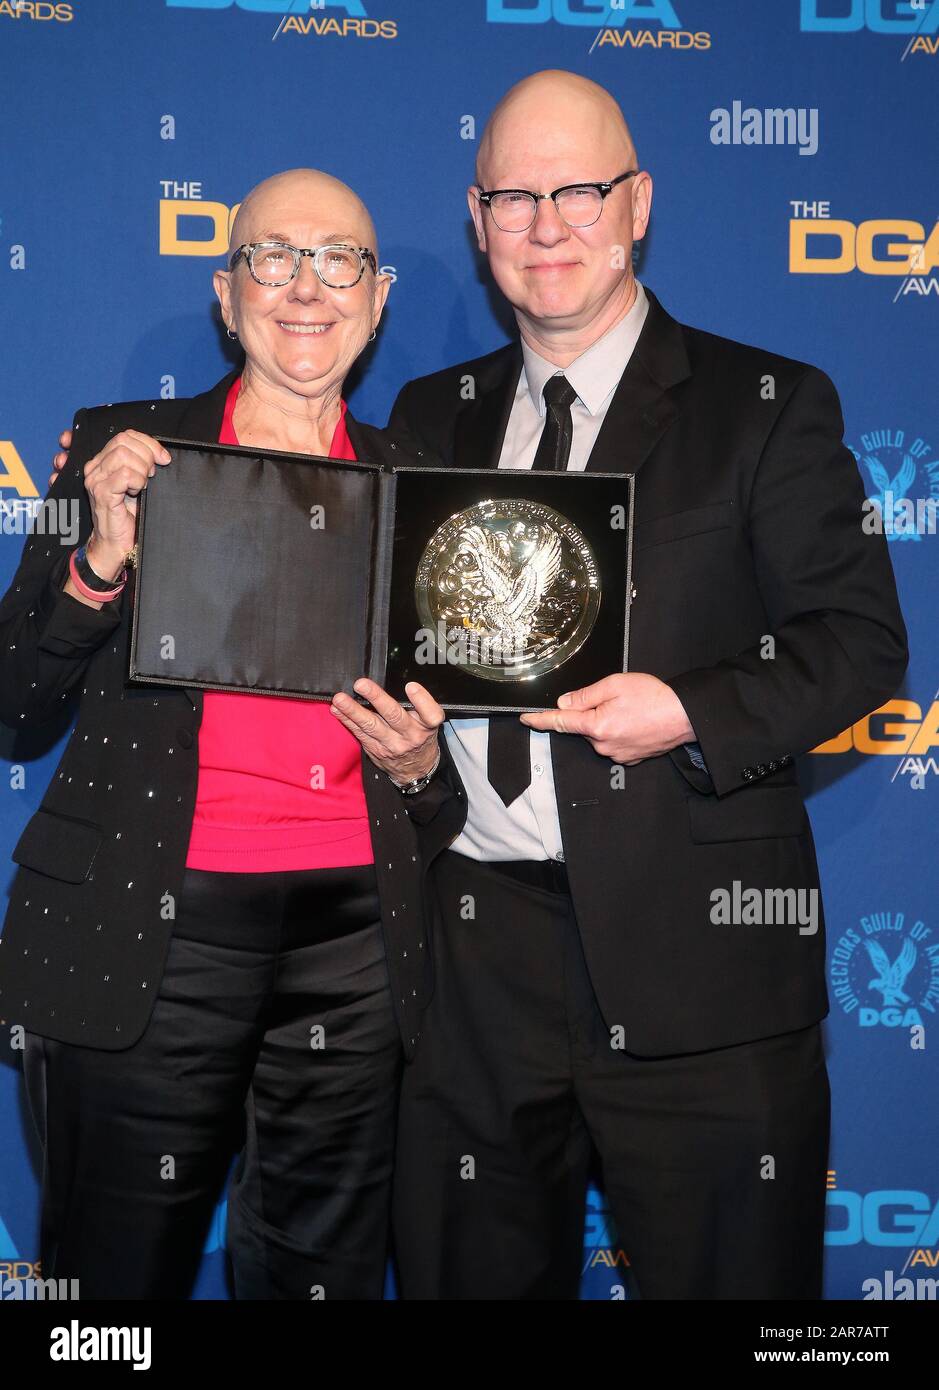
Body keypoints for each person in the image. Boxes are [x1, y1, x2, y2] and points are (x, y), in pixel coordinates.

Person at [331, 71, 909, 1299]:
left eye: (579, 191)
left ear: (637, 203)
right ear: (477, 220)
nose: (548, 226)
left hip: (700, 966)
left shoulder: (767, 406)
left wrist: (691, 709)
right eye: (514, 198)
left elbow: (861, 643)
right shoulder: (430, 416)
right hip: (474, 970)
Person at [0, 168, 446, 1300]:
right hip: (147, 927)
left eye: (339, 258)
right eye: (273, 256)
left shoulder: (420, 488)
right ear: (225, 288)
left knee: (323, 1276)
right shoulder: (120, 450)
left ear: (379, 295)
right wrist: (97, 563)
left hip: (355, 944)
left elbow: (457, 783)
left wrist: (421, 764)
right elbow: (14, 709)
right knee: (108, 1291)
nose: (307, 287)